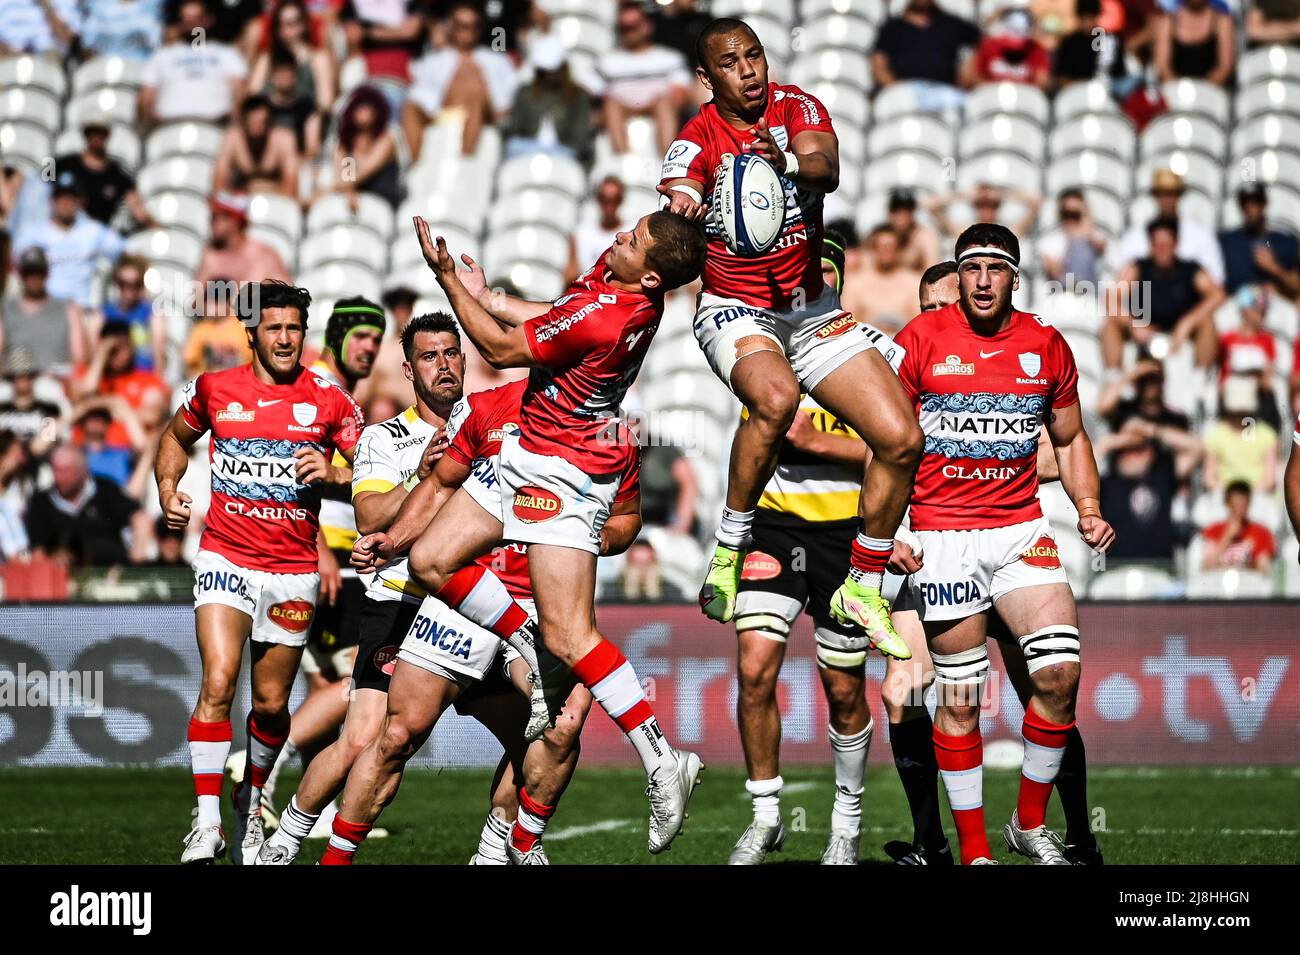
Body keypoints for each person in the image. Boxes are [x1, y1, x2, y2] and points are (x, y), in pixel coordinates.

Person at [345, 209, 709, 858]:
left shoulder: (610, 312)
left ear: (651, 277)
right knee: (429, 558)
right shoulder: (618, 284)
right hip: (534, 449)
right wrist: (490, 296)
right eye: (628, 228)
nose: (618, 235)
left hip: (566, 466)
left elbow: (500, 349)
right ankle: (526, 639)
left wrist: (451, 282)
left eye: (633, 240)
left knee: (572, 635)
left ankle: (662, 758)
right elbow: (553, 307)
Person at [658, 18, 923, 657]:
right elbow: (678, 200)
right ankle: (728, 546)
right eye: (730, 62)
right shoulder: (694, 140)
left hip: (810, 309)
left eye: (754, 56)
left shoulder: (798, 105)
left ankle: (863, 581)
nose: (748, 70)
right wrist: (686, 209)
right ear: (706, 77)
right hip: (735, 309)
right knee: (775, 401)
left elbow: (824, 168)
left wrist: (792, 171)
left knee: (901, 439)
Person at [302, 373, 640, 866]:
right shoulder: (483, 409)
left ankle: (502, 850)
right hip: (469, 598)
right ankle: (325, 856)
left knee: (563, 725)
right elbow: (439, 489)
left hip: (542, 606)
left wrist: (595, 537)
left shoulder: (613, 433)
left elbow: (627, 518)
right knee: (394, 735)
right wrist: (393, 541)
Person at [893, 223, 1114, 865]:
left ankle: (1028, 822)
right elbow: (889, 442)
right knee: (960, 701)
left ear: (1014, 276)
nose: (984, 280)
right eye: (972, 268)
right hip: (943, 535)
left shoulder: (1045, 344)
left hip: (1021, 530)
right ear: (957, 276)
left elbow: (1070, 440)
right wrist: (892, 531)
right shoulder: (921, 339)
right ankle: (974, 852)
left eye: (996, 268)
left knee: (1059, 676)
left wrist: (1089, 507)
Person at [154, 280, 365, 865]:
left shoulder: (330, 400)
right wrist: (169, 488)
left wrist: (337, 473)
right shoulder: (216, 389)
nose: (284, 338)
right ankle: (205, 823)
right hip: (225, 556)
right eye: (273, 328)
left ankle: (253, 803)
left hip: (292, 569)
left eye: (294, 328)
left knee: (271, 705)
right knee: (219, 680)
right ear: (251, 335)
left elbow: (377, 471)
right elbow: (173, 437)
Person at [252, 312, 468, 863]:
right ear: (409, 370)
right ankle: (284, 839)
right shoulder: (386, 436)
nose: (443, 365)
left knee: (544, 729)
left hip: (476, 610)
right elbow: (370, 516)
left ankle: (507, 846)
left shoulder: (489, 425)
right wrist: (422, 474)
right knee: (364, 739)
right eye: (428, 356)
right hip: (402, 606)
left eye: (451, 353)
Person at [727, 238, 891, 866]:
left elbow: (902, 447)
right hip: (774, 528)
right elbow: (751, 442)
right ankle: (765, 815)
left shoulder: (868, 354)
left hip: (846, 537)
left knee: (844, 688)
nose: (807, 282)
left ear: (837, 284)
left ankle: (845, 823)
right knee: (754, 665)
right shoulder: (759, 348)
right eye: (801, 271)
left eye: (822, 273)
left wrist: (822, 448)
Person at [236, 299, 386, 830]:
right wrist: (319, 548)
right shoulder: (315, 389)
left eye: (377, 337)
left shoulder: (341, 394)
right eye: (362, 335)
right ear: (337, 337)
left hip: (341, 559)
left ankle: (311, 805)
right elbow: (287, 471)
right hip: (327, 561)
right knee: (359, 681)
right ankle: (260, 766)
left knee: (333, 683)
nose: (370, 346)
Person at [1104, 217, 1225, 370]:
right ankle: (1114, 376)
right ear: (1151, 245)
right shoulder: (1138, 267)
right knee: (1110, 324)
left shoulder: (1190, 269)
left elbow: (1218, 295)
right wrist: (1132, 324)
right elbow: (1111, 297)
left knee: (1208, 322)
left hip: (1180, 328)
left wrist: (1188, 322)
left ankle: (1201, 380)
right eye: (1158, 245)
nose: (1162, 250)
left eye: (1167, 245)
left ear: (1176, 244)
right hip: (1145, 328)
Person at [404, 1, 518, 159]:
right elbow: (421, 97)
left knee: (474, 96)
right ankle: (415, 167)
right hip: (442, 113)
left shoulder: (498, 60)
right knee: (409, 107)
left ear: (479, 28)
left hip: (485, 115)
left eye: (472, 26)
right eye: (461, 26)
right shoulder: (433, 61)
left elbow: (509, 99)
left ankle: (464, 163)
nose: (467, 32)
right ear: (451, 27)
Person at [10, 172, 125, 310]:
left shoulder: (92, 232)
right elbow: (14, 263)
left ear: (80, 202)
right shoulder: (33, 233)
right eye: (61, 198)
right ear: (52, 201)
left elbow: (127, 251)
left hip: (83, 308)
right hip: (45, 308)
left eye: (71, 198)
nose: (66, 203)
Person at [26, 442, 151, 567]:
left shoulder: (105, 490)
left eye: (66, 471)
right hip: (65, 578)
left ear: (82, 471)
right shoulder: (41, 502)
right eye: (56, 470)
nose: (60, 477)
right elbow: (38, 553)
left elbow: (140, 519)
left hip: (111, 574)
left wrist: (136, 559)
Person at [597, 1, 692, 155]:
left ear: (647, 26)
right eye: (624, 29)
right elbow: (592, 101)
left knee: (664, 104)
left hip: (660, 109)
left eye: (634, 26)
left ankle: (667, 163)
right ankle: (623, 164)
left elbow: (681, 97)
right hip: (620, 112)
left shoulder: (670, 59)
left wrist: (643, 107)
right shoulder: (606, 63)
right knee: (611, 105)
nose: (630, 33)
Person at [138, 0, 248, 126]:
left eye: (196, 19)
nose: (192, 25)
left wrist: (233, 116)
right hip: (168, 126)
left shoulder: (227, 54)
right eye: (187, 20)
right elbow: (146, 97)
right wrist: (153, 119)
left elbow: (240, 91)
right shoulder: (162, 56)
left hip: (214, 125)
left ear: (209, 20)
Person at [1114, 168, 1224, 282]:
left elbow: (1215, 280)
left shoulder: (1201, 236)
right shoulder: (1135, 236)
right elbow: (1120, 281)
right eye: (1162, 194)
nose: (1167, 200)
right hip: (1146, 297)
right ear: (1155, 196)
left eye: (1172, 194)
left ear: (1180, 196)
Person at [502, 33, 595, 166]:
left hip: (564, 152)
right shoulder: (525, 93)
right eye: (546, 70)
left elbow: (580, 135)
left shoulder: (578, 96)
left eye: (555, 69)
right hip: (527, 151)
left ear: (563, 67)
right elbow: (514, 131)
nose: (551, 74)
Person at [0, 246, 89, 378]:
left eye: (39, 272)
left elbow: (79, 357)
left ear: (47, 273)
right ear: (20, 274)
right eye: (28, 273)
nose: (34, 278)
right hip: (15, 383)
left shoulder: (67, 307)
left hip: (56, 382)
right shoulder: (6, 307)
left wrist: (59, 374)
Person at [54, 116, 153, 229]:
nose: (96, 137)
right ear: (85, 135)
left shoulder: (118, 173)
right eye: (92, 133)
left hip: (99, 235)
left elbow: (137, 206)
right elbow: (41, 181)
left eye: (101, 133)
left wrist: (156, 227)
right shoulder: (65, 163)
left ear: (108, 135)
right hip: (63, 229)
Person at [320, 85, 401, 209]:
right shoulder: (345, 145)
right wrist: (349, 191)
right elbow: (347, 177)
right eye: (358, 104)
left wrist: (328, 191)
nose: (362, 109)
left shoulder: (386, 140)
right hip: (355, 203)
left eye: (369, 105)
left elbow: (364, 172)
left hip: (382, 204)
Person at [872, 0, 981, 90]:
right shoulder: (893, 27)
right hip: (902, 92)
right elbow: (879, 63)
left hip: (944, 92)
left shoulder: (952, 24)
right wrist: (897, 89)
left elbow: (982, 43)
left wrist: (969, 69)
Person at [193, 192, 292, 292]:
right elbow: (196, 302)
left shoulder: (265, 255)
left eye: (219, 217)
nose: (212, 222)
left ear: (236, 221)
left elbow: (286, 298)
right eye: (213, 217)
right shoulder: (210, 256)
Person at [1218, 183, 1300, 299]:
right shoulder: (1228, 242)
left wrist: (1274, 268)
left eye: (1256, 202)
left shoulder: (1284, 242)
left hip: (1275, 304)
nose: (1250, 208)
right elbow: (1217, 285)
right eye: (1245, 203)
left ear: (1265, 204)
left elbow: (1296, 287)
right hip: (1237, 304)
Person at [840, 225, 922, 336]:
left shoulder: (914, 282)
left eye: (890, 247)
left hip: (905, 343)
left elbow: (920, 321)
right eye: (880, 246)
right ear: (872, 249)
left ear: (899, 249)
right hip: (866, 343)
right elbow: (847, 322)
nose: (885, 251)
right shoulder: (855, 283)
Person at [212, 95, 300, 198]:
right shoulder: (232, 138)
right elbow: (219, 183)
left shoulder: (284, 139)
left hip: (275, 198)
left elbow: (291, 187)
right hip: (242, 199)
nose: (258, 127)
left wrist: (262, 190)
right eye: (253, 122)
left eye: (262, 122)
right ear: (243, 122)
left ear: (269, 122)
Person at [102, 255, 167, 375]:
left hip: (142, 379)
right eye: (123, 283)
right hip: (111, 379)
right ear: (116, 282)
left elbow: (159, 358)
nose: (128, 290)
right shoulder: (103, 315)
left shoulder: (153, 315)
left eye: (134, 284)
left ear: (141, 285)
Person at [1037, 189, 1108, 291]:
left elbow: (1101, 248)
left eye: (1075, 214)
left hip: (1091, 294)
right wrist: (1071, 241)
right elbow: (1056, 274)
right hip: (1062, 295)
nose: (1070, 219)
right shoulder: (1049, 241)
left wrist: (1085, 230)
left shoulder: (1095, 236)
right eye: (1066, 213)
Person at [1153, 0, 1236, 85]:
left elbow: (1225, 67)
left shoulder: (1222, 21)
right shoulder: (1166, 23)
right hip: (1174, 90)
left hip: (1213, 90)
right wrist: (1180, 91)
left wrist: (1202, 91)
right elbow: (1163, 68)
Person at [965, 7, 1052, 88]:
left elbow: (1042, 82)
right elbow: (970, 78)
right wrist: (991, 88)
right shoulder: (988, 46)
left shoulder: (1036, 50)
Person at [1201, 481, 1277, 572]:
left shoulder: (1261, 532)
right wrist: (1227, 537)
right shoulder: (1214, 530)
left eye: (1243, 505)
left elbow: (1264, 568)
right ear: (1227, 504)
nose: (1239, 510)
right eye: (1235, 505)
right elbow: (1207, 566)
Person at [566, 176, 629, 286]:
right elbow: (569, 276)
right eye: (604, 199)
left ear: (621, 200)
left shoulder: (631, 232)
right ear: (597, 199)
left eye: (615, 199)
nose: (609, 205)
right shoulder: (580, 233)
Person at [1053, 0, 1128, 87]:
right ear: (1078, 17)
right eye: (1084, 18)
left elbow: (1120, 76)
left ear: (1097, 16)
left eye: (1091, 18)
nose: (1087, 23)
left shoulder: (1110, 41)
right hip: (1076, 93)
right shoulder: (1068, 43)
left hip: (1106, 93)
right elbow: (1062, 78)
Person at [79, 0, 165, 61]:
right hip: (103, 69)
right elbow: (88, 45)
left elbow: (157, 44)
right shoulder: (99, 5)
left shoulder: (152, 6)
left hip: (140, 70)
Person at [887, 189, 942, 273]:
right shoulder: (881, 237)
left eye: (906, 211)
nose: (902, 216)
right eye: (897, 211)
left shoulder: (925, 238)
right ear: (890, 213)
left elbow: (932, 275)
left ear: (913, 213)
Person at [0, 0, 78, 55]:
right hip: (9, 63)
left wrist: (46, 5)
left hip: (52, 64)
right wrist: (9, 53)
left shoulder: (65, 2)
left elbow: (69, 41)